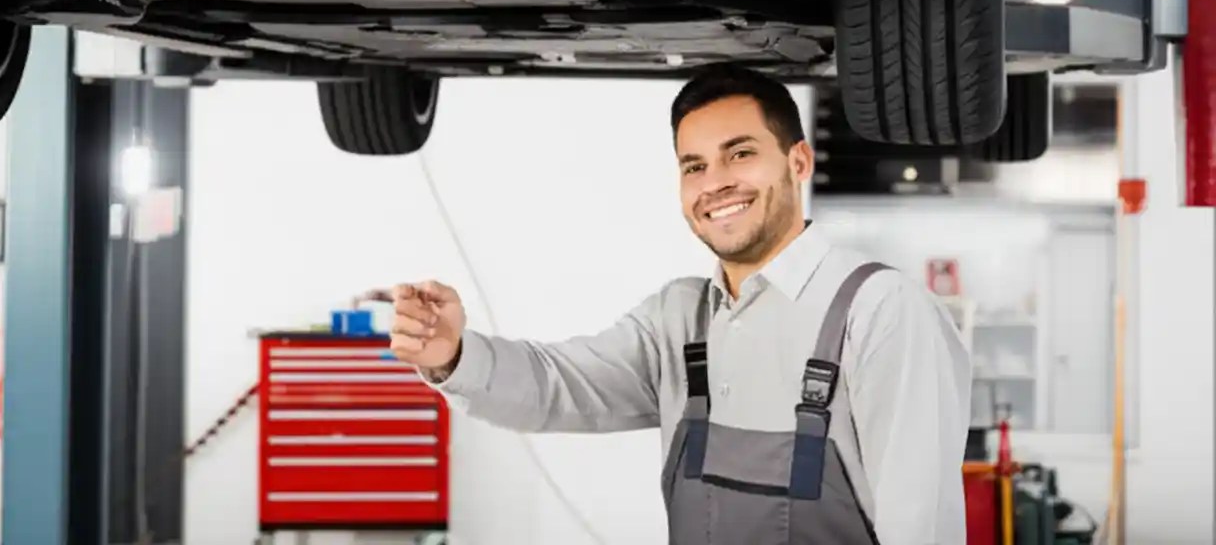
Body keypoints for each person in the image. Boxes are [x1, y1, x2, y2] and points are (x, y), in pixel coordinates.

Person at [387, 65, 972, 545]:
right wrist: (455, 356)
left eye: (739, 154)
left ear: (798, 163)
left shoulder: (879, 312)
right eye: (695, 165)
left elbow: (922, 528)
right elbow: (555, 384)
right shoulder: (682, 319)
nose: (714, 182)